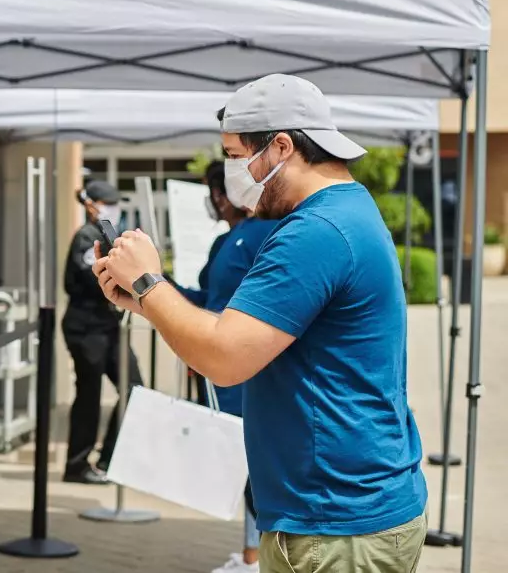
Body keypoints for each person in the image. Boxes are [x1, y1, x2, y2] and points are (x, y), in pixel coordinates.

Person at [94, 74, 427, 573]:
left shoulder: (315, 232)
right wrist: (144, 300)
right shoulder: (346, 211)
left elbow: (225, 358)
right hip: (350, 508)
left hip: (332, 522)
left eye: (234, 155)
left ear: (281, 146)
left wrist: (147, 283)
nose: (232, 172)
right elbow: (245, 333)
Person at [170, 160, 277, 573]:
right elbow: (206, 298)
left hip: (245, 368)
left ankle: (255, 558)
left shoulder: (260, 234)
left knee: (254, 465)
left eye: (220, 187)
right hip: (218, 365)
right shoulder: (227, 240)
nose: (216, 197)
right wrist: (156, 289)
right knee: (241, 461)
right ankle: (253, 555)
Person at [60, 181, 142, 484]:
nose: (112, 208)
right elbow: (90, 276)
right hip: (86, 328)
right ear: (91, 204)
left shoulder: (111, 236)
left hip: (108, 326)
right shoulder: (86, 237)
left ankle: (110, 459)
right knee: (89, 395)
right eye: (106, 202)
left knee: (134, 388)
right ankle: (77, 465)